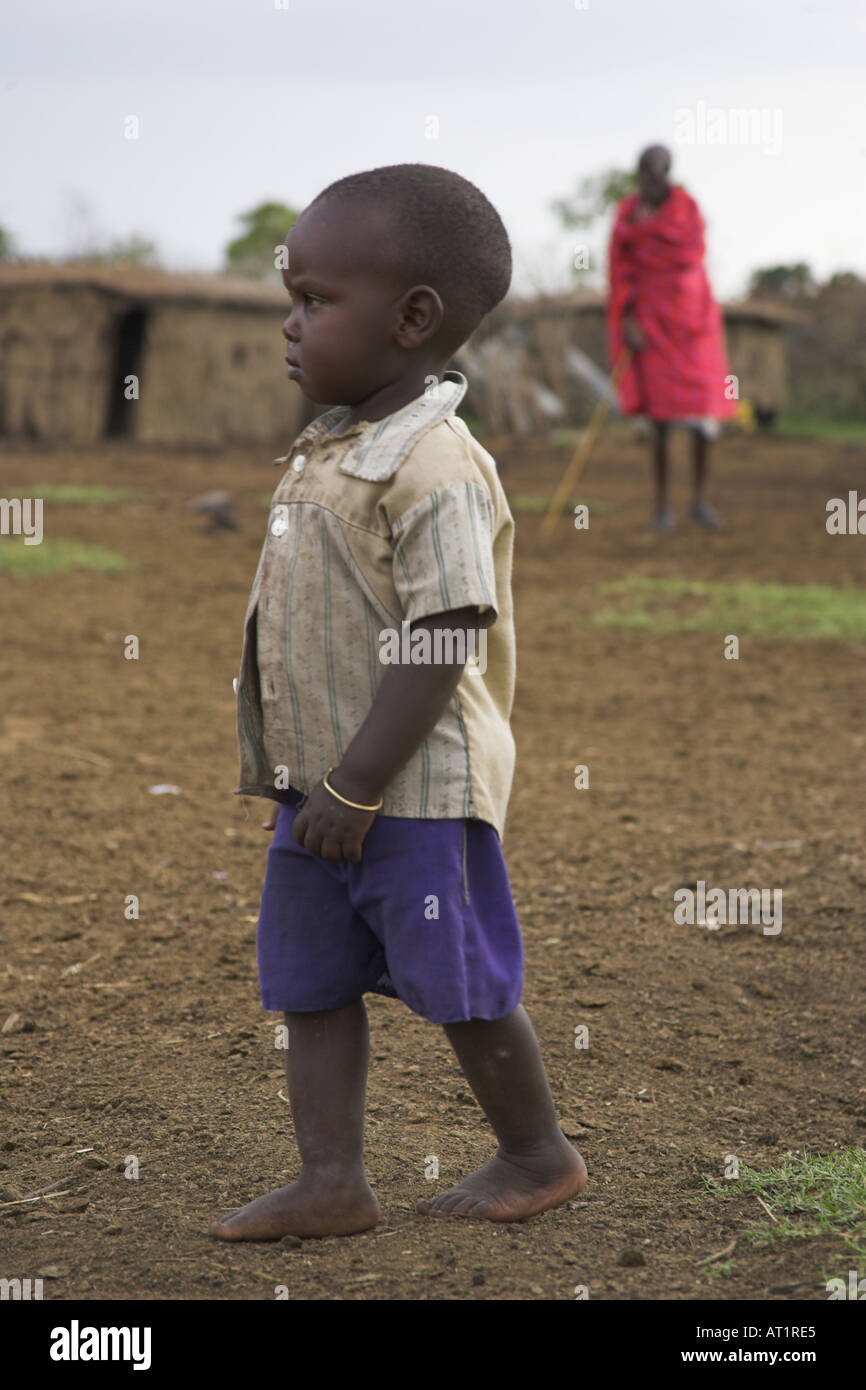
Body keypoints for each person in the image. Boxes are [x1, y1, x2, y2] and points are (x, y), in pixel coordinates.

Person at [212, 164, 586, 1241]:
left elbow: (442, 631)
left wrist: (359, 782)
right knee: (309, 980)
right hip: (319, 790)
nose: (289, 324)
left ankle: (535, 1151)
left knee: (457, 977)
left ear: (411, 317)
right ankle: (332, 1179)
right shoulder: (331, 442)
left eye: (313, 301)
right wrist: (319, 784)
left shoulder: (434, 464)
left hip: (407, 787)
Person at [607, 144, 736, 531]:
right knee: (660, 419)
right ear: (639, 174)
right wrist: (628, 318)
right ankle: (662, 507)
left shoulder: (687, 210)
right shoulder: (627, 215)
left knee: (702, 417)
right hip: (650, 322)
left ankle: (700, 501)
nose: (650, 180)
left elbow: (694, 252)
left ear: (668, 173)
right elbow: (620, 272)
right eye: (644, 173)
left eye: (657, 172)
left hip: (693, 320)